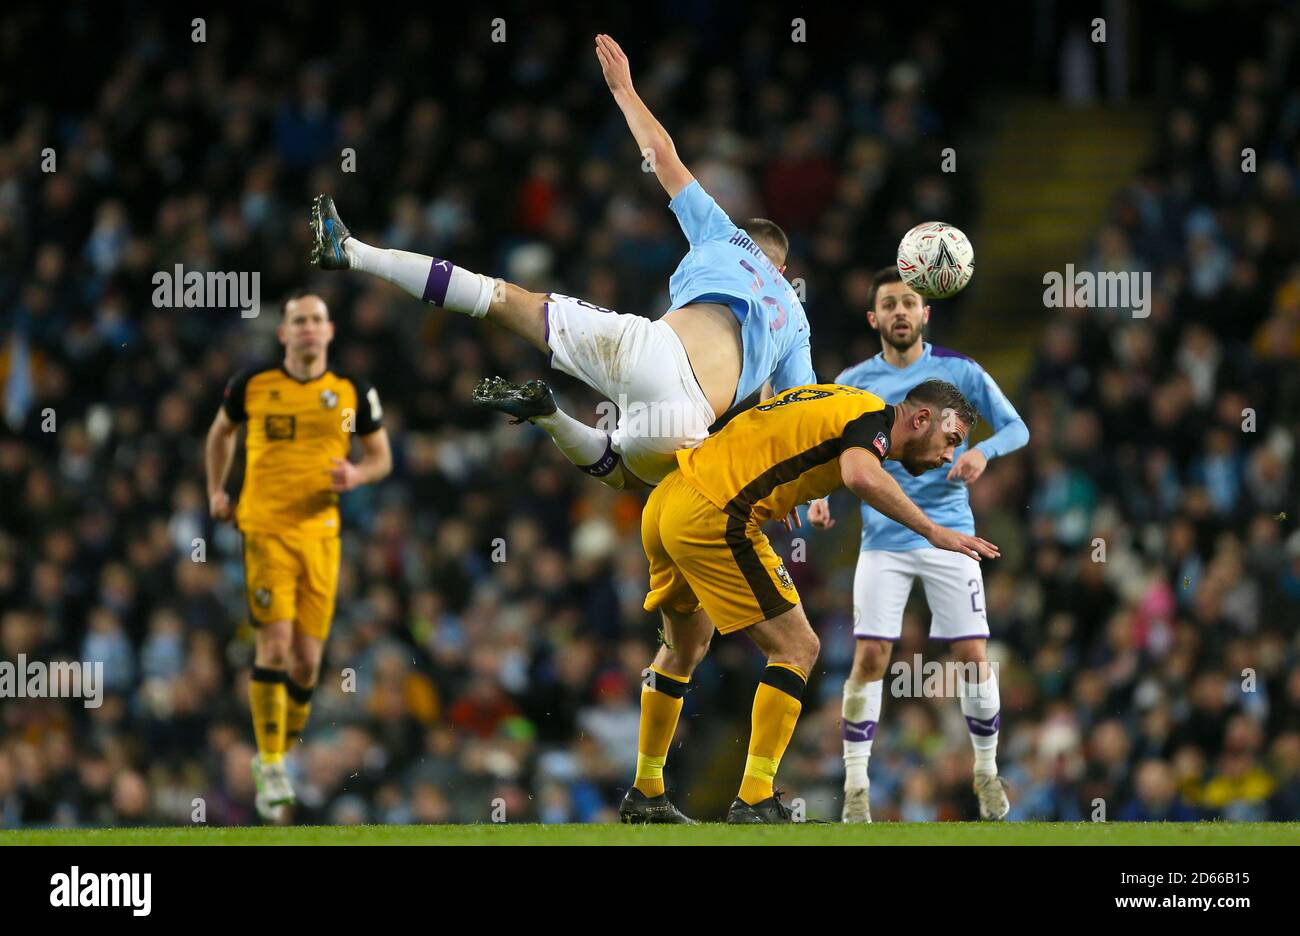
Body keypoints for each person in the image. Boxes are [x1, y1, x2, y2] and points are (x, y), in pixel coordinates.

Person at [310, 34, 813, 491]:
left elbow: (662, 156)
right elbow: (797, 414)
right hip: (688, 415)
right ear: (784, 271)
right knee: (621, 475)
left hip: (647, 349)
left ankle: (353, 251)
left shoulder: (724, 235)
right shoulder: (795, 315)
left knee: (501, 298)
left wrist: (623, 89)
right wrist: (790, 486)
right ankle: (550, 417)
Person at [618, 379, 999, 823]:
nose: (949, 456)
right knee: (798, 648)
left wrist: (781, 481)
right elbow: (859, 473)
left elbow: (774, 405)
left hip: (670, 499)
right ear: (920, 419)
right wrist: (934, 531)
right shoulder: (873, 422)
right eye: (950, 440)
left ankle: (646, 792)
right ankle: (756, 799)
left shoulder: (845, 397)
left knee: (683, 649)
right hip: (715, 512)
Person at [808, 266, 1029, 822]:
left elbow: (1016, 428)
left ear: (926, 313)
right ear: (873, 317)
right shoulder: (852, 382)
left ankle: (985, 772)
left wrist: (984, 453)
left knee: (972, 655)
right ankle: (856, 790)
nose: (900, 312)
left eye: (909, 302)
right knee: (871, 655)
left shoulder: (961, 372)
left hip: (952, 533)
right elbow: (830, 450)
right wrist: (819, 497)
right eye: (889, 304)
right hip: (883, 540)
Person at [205, 293, 392, 820]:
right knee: (276, 645)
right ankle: (269, 763)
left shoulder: (352, 391)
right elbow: (220, 434)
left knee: (309, 661)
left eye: (316, 321)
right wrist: (218, 491)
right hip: (264, 529)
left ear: (329, 332)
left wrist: (358, 474)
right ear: (283, 333)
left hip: (322, 535)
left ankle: (281, 754)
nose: (308, 329)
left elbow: (380, 457)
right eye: (298, 322)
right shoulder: (253, 385)